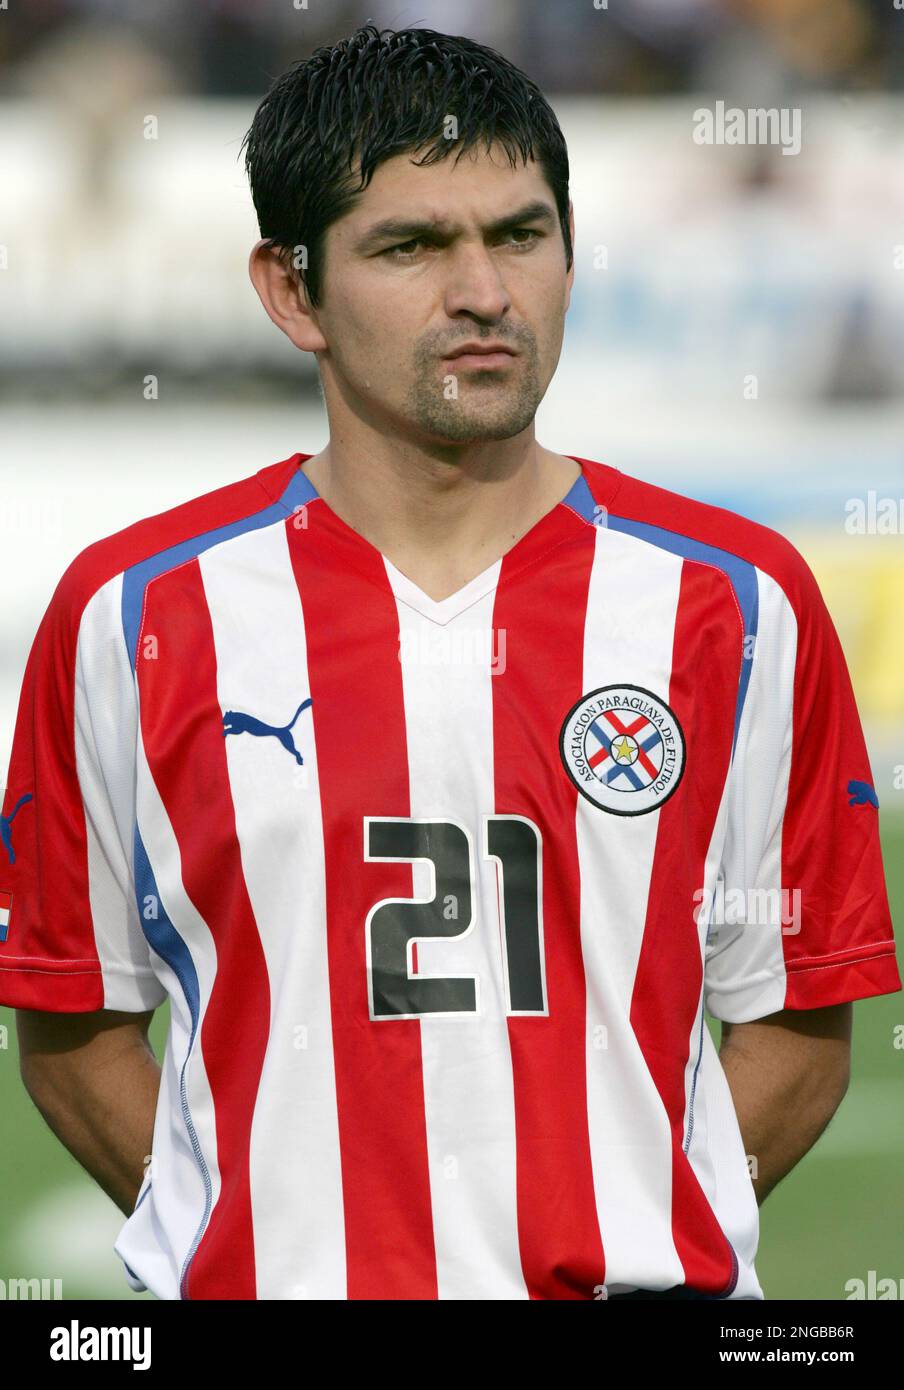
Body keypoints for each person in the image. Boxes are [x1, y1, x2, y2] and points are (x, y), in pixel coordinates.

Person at [2, 24, 899, 1301]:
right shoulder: (133, 614)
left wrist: (625, 1231)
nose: (483, 291)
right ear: (291, 291)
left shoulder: (736, 603)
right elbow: (75, 1021)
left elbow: (799, 1020)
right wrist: (275, 1253)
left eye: (520, 236)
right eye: (412, 247)